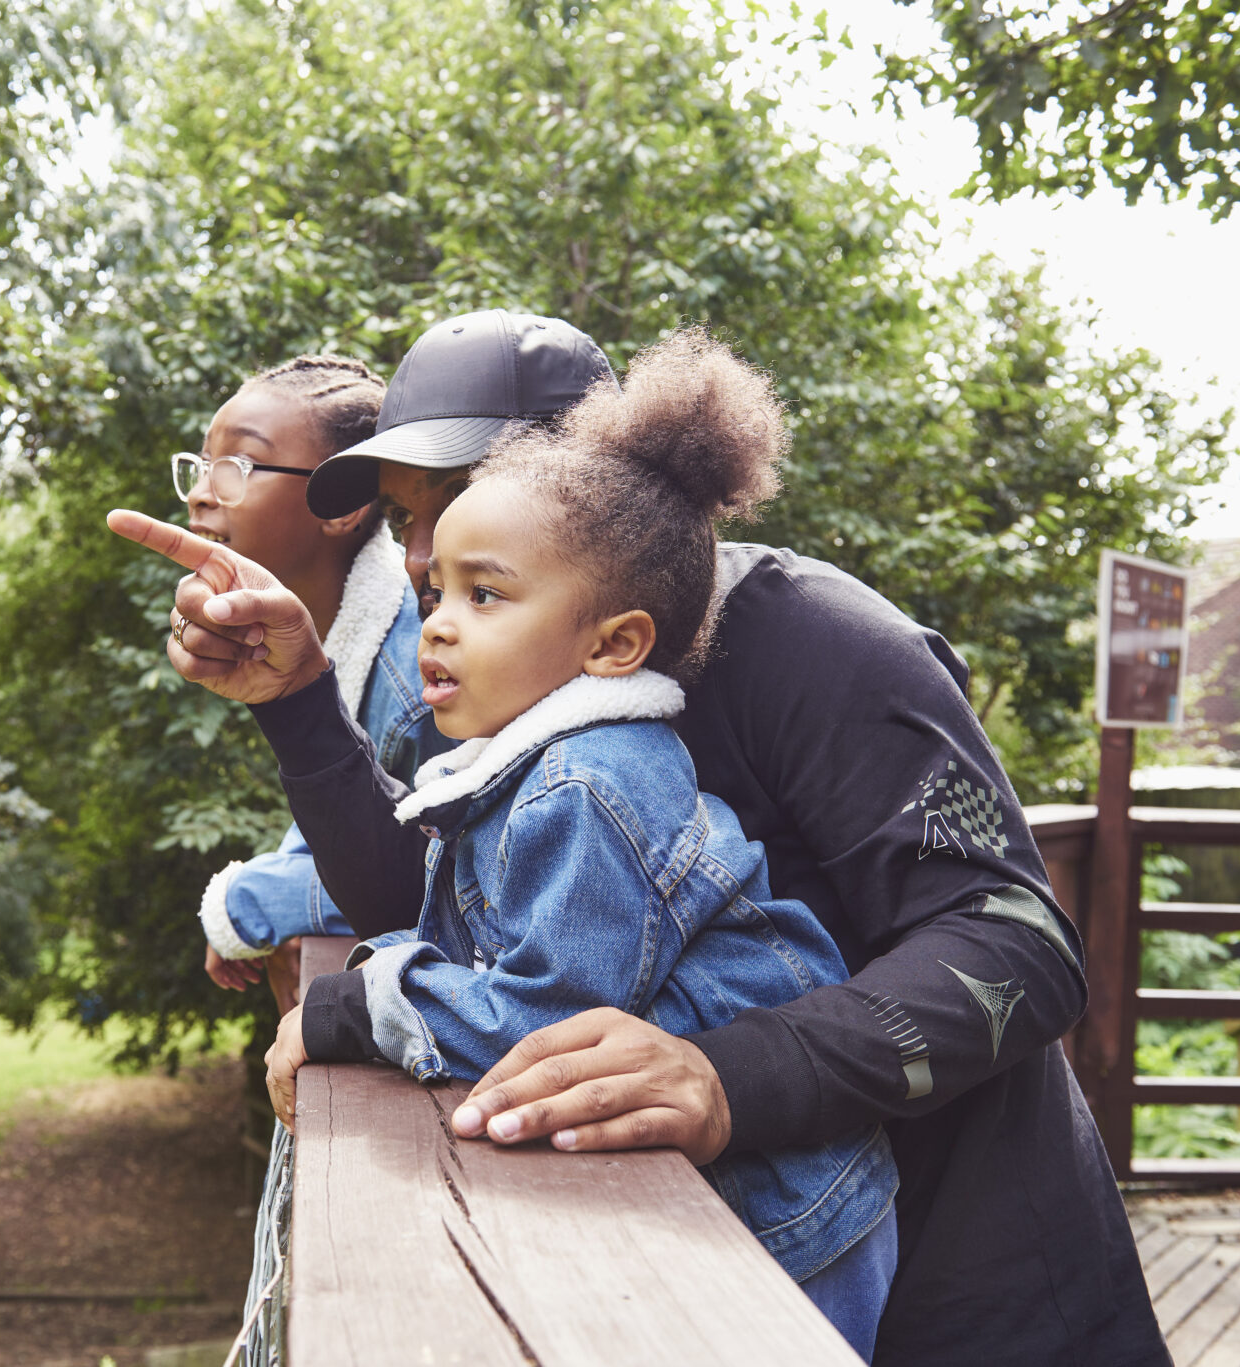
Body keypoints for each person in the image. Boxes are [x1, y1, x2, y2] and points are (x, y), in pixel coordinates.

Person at [106, 308, 1168, 1366]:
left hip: (978, 1281)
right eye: (403, 519)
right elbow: (425, 906)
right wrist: (296, 702)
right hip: (723, 1278)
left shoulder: (817, 639)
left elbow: (1016, 947)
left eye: (461, 494)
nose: (426, 556)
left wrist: (724, 1075)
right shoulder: (526, 674)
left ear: (602, 482)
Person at [262, 330, 900, 1357]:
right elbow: (460, 919)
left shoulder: (588, 779)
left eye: (483, 590)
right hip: (699, 1194)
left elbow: (547, 1007)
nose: (431, 612)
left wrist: (353, 1002)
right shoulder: (529, 747)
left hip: (787, 1217)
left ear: (613, 639)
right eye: (431, 582)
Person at [173, 355, 450, 1003]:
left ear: (344, 505)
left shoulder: (420, 680)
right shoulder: (335, 639)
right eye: (202, 463)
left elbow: (447, 879)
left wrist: (252, 898)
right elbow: (348, 802)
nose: (201, 491)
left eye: (238, 466)